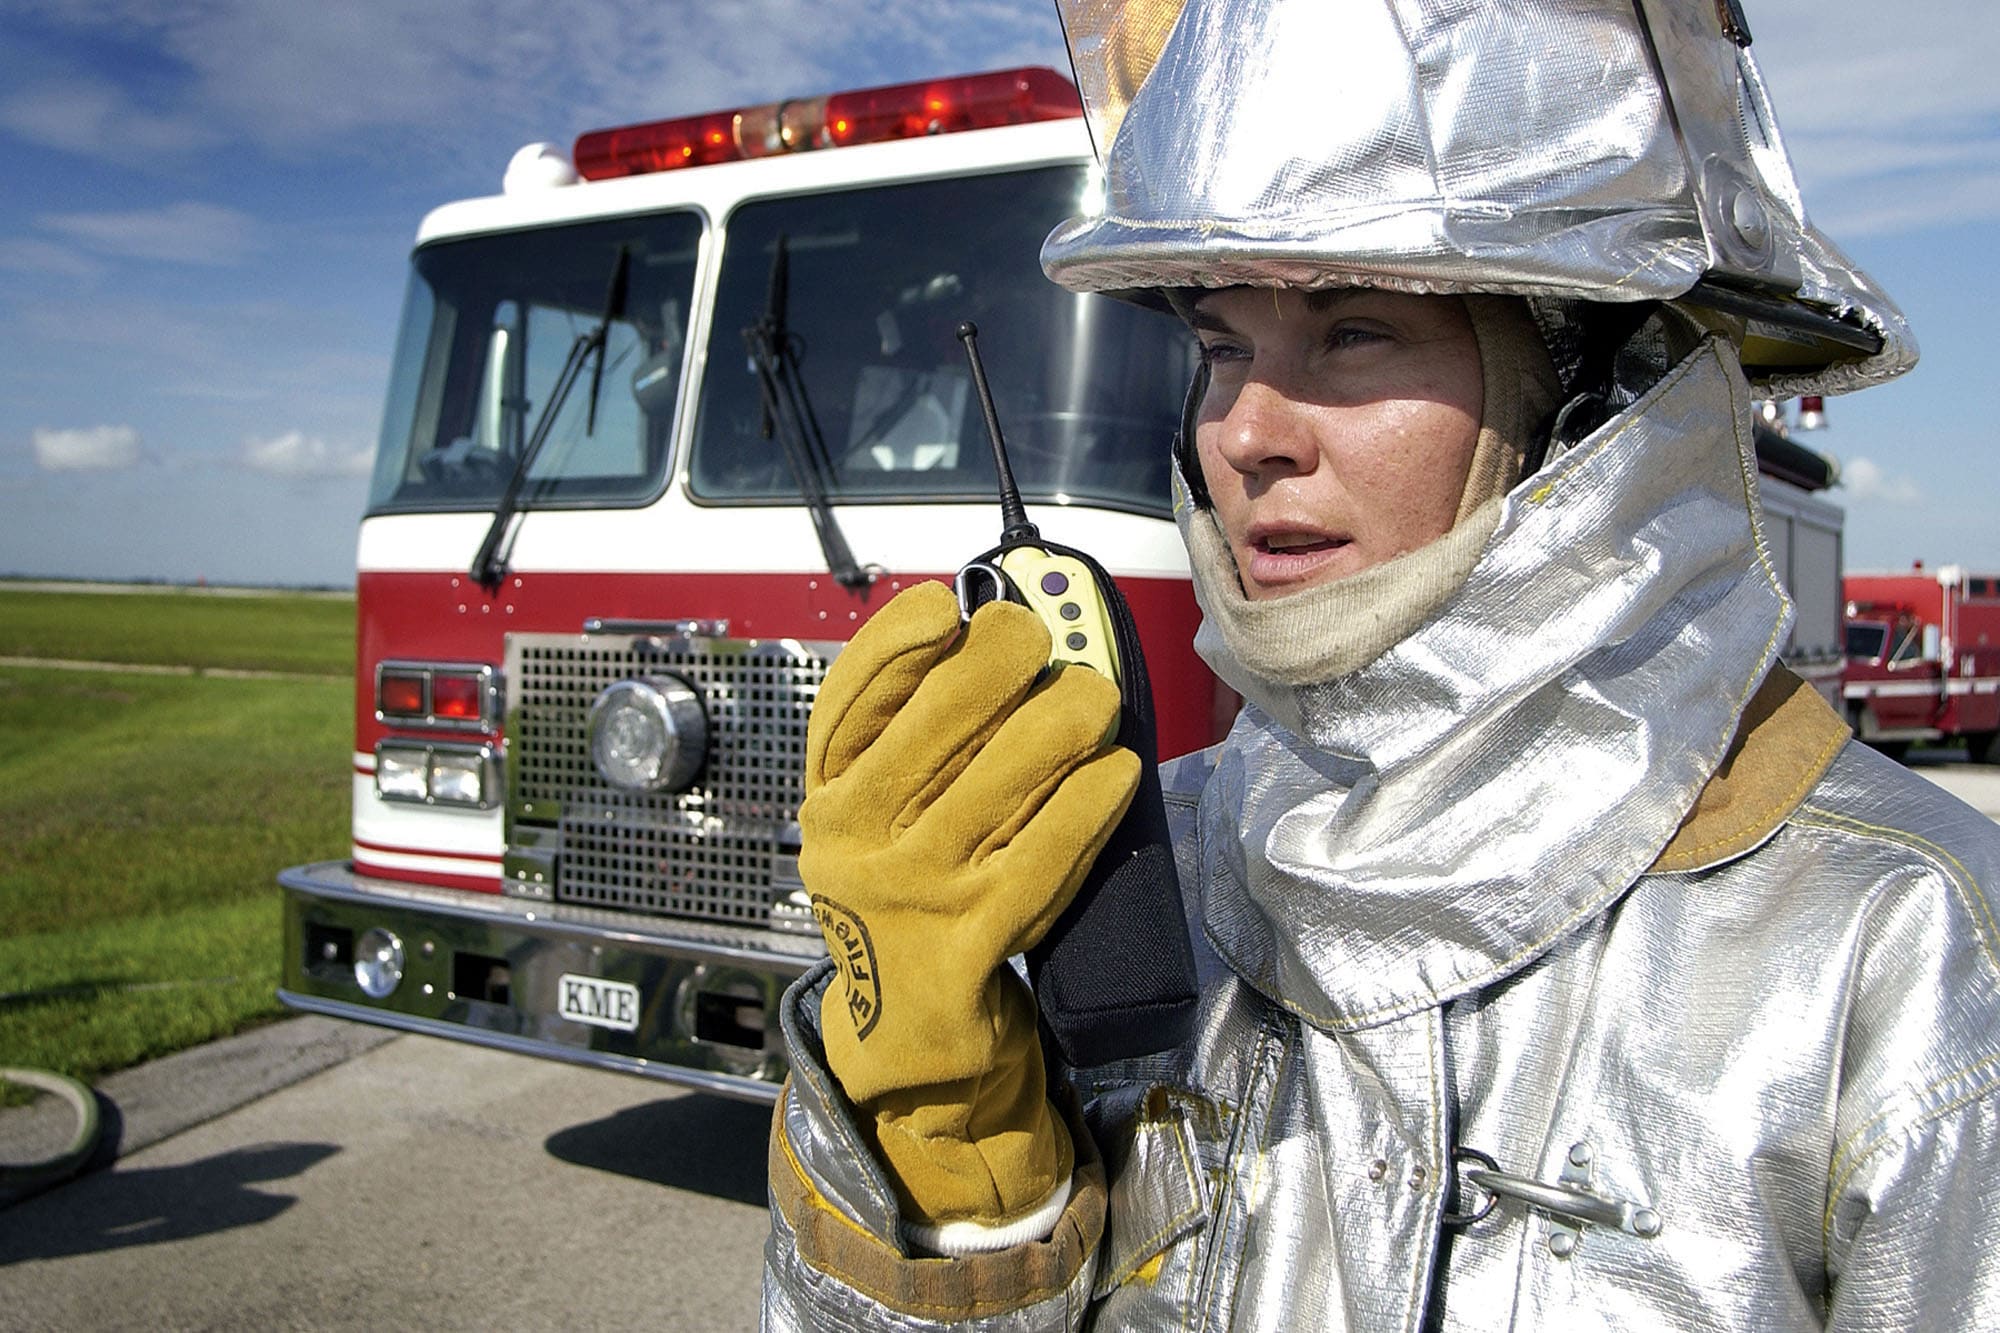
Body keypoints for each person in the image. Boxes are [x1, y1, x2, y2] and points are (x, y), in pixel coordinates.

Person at [762, 2, 2000, 1328]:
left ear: (1585, 401)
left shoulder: (1903, 945)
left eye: (1352, 331)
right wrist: (961, 1176)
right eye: (1220, 345)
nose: (1243, 429)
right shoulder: (1130, 873)